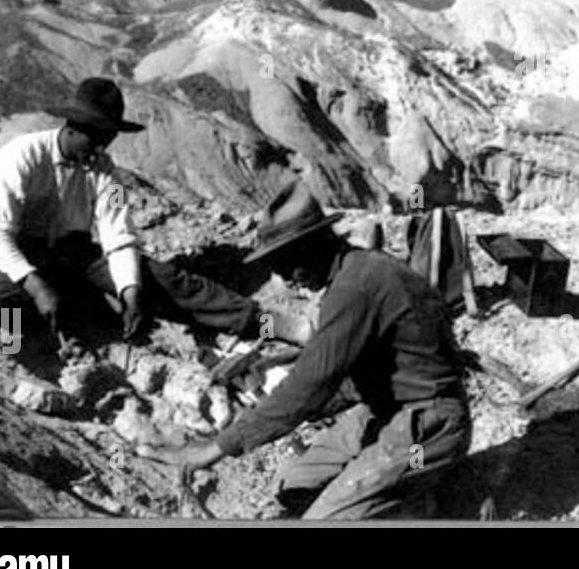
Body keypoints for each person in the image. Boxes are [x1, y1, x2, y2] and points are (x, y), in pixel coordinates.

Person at [143, 180, 472, 520]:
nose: (287, 279)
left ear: (315, 246)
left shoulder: (356, 287)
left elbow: (311, 382)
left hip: (427, 425)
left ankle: (426, 499)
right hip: (382, 410)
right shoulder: (355, 274)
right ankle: (399, 496)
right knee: (292, 488)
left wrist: (212, 450)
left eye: (287, 264)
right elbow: (345, 378)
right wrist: (291, 410)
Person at [0, 77, 283, 389]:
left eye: (107, 140)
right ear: (73, 127)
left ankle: (256, 320)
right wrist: (36, 286)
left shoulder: (104, 170)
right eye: (94, 140)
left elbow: (118, 237)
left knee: (157, 278)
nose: (100, 149)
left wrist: (130, 291)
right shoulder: (20, 156)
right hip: (22, 251)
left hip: (73, 253)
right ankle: (57, 326)